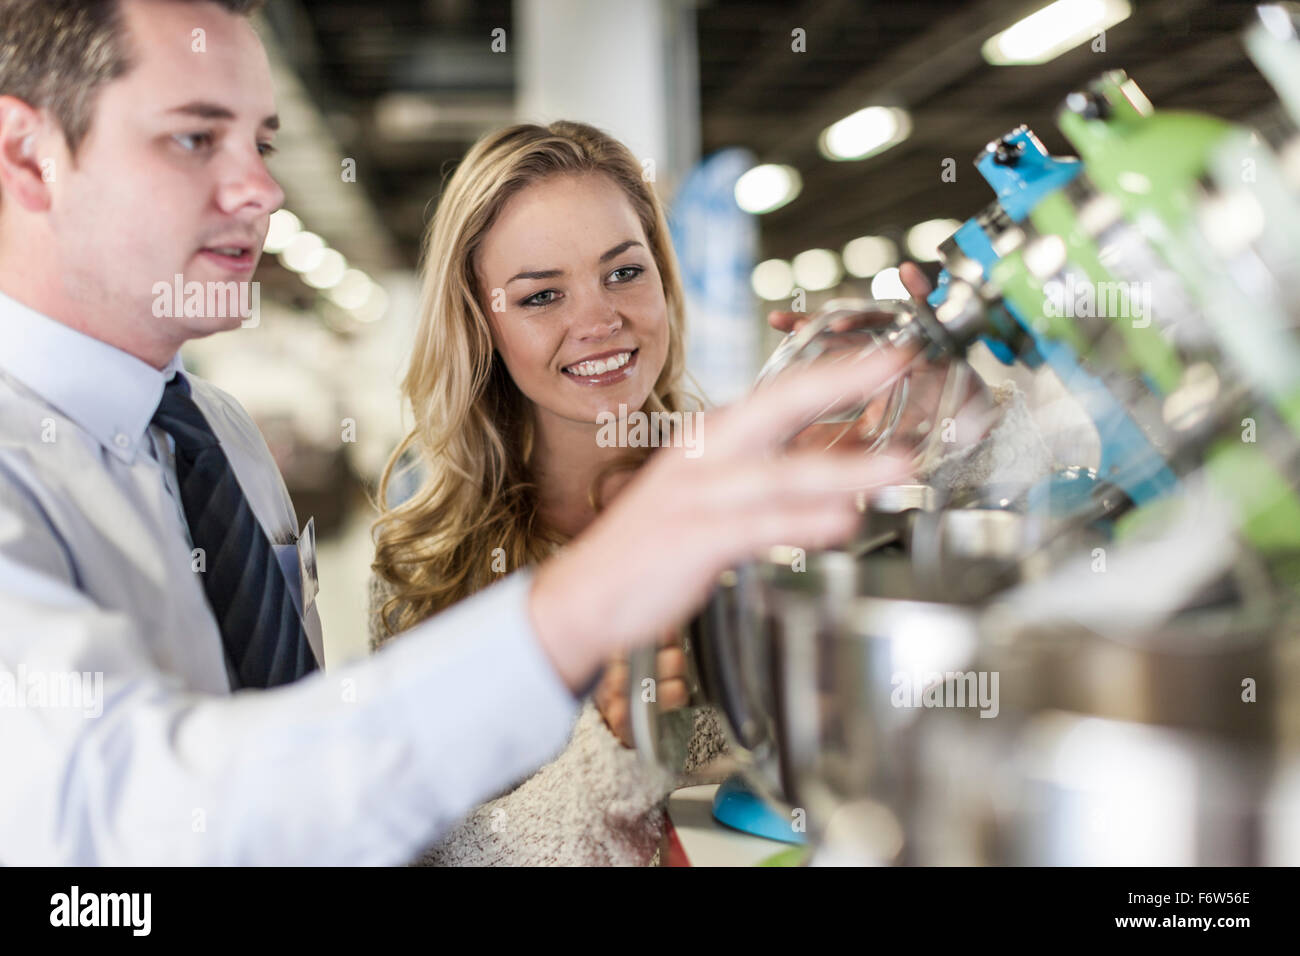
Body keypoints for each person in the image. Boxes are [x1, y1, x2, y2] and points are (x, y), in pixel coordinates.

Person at [0, 0, 909, 864]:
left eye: (263, 143)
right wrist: (577, 621)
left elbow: (323, 753)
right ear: (28, 155)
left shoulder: (221, 439)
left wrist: (935, 407)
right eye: (195, 137)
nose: (264, 188)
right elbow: (122, 814)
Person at [369, 121, 728, 865]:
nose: (598, 322)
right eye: (540, 297)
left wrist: (948, 425)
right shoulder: (425, 567)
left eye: (624, 273)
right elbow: (442, 851)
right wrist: (616, 759)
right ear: (480, 324)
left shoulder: (746, 488)